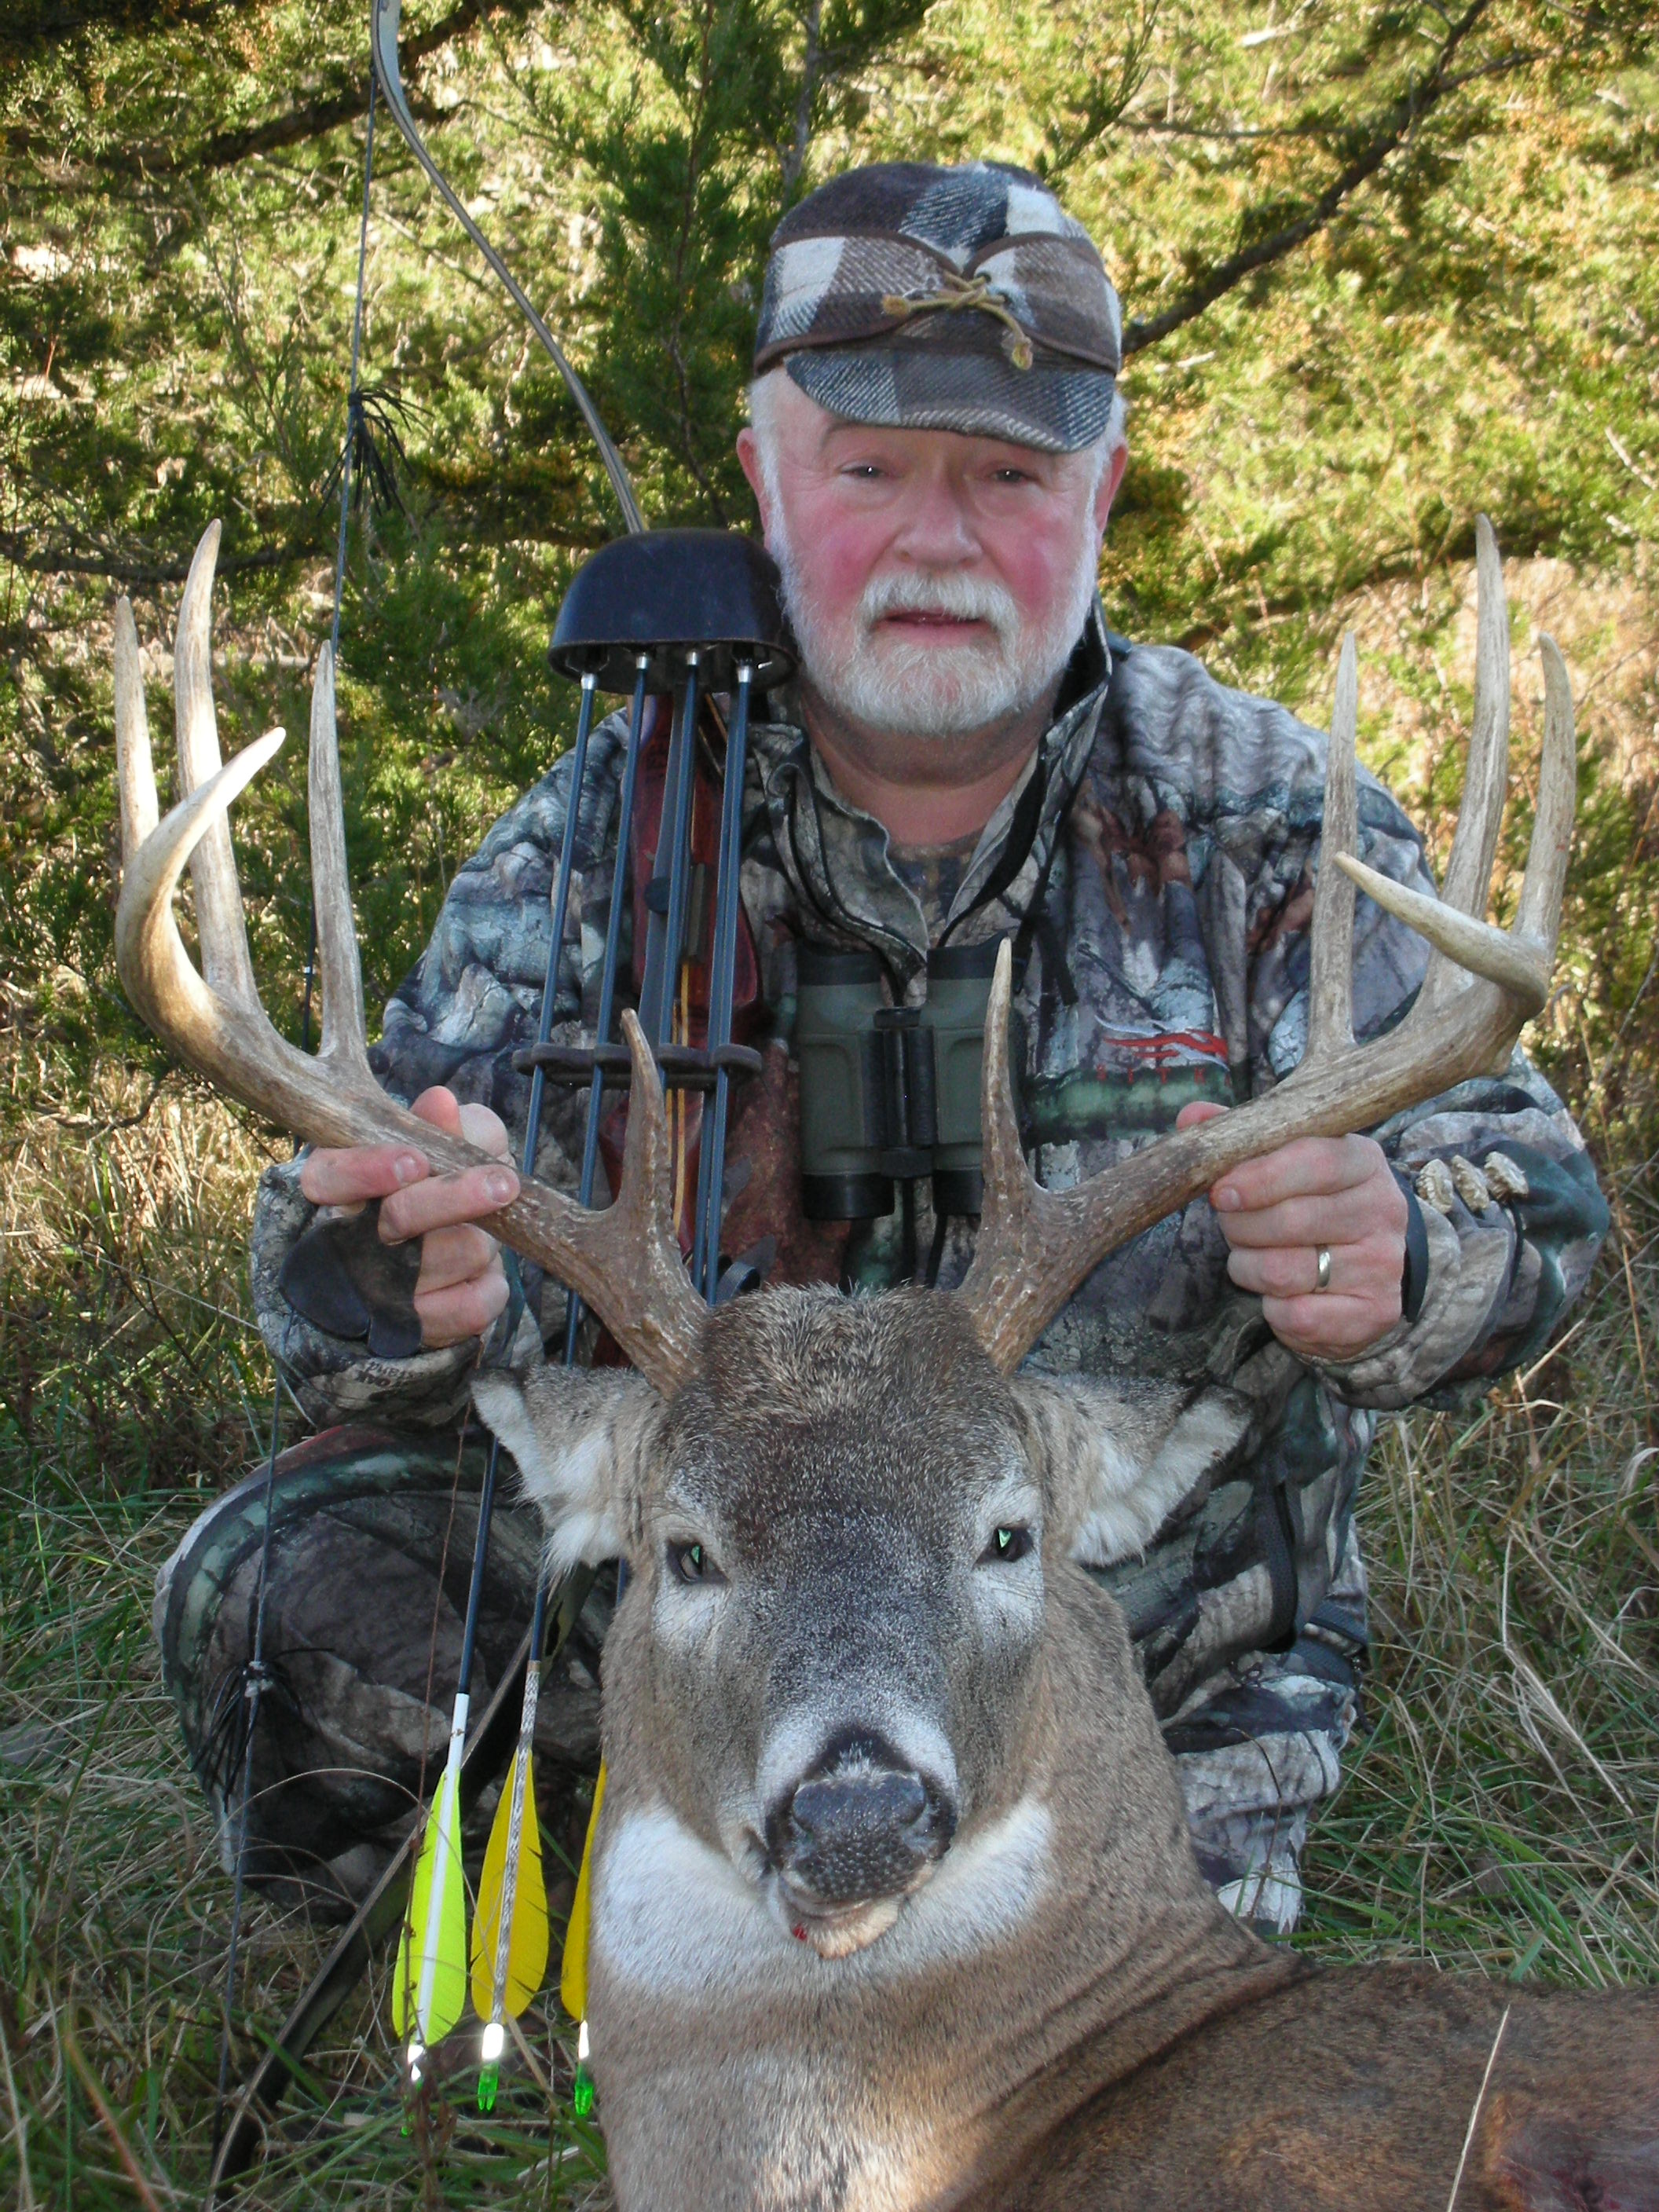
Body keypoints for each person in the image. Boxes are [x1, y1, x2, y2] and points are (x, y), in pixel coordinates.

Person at [156, 160, 1607, 1932]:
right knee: (272, 1587)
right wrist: (395, 1268)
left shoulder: (1268, 823)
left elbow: (1534, 1198)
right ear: (766, 482)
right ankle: (586, 1943)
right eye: (869, 470)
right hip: (708, 1637)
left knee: (1088, 2054)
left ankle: (754, 1940)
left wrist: (1406, 1255)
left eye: (1010, 476)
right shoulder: (602, 846)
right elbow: (354, 1283)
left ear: (1101, 496)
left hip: (1117, 1658)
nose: (940, 538)